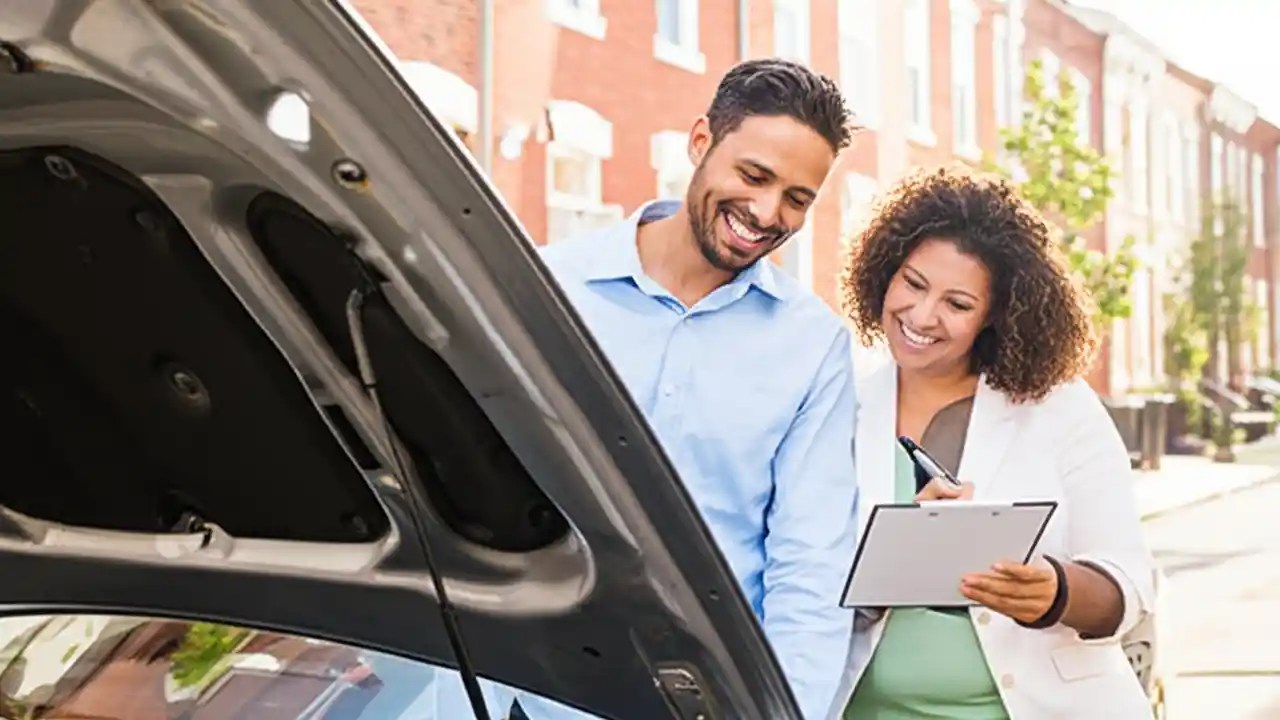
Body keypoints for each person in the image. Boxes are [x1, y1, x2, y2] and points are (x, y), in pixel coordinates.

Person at [468, 58, 861, 720]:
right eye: (753, 175)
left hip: (698, 701)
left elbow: (810, 571)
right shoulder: (548, 290)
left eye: (798, 199)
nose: (767, 213)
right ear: (701, 141)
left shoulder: (813, 346)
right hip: (529, 693)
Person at [828, 166, 1156, 719]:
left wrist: (1054, 594)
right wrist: (900, 554)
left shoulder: (1059, 409)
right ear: (884, 272)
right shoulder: (839, 405)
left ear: (993, 318)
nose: (922, 316)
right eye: (913, 283)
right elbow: (798, 586)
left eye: (957, 304)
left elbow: (1130, 586)